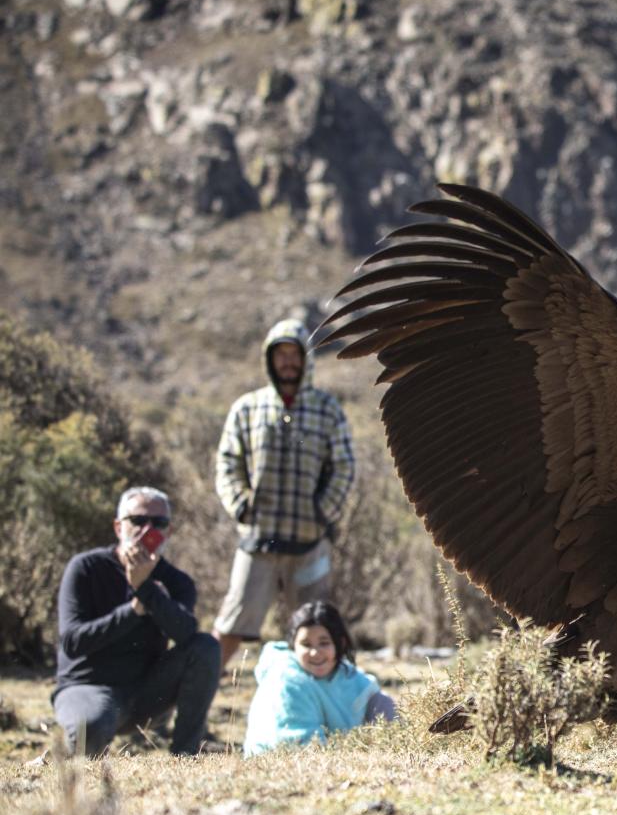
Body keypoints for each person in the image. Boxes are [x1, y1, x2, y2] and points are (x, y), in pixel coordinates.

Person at [215, 315, 356, 669]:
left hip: (310, 545)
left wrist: (323, 512)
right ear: (269, 359)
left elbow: (344, 466)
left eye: (295, 354)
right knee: (230, 627)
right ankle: (192, 707)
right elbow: (228, 462)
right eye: (281, 355)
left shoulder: (327, 409)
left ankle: (330, 714)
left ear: (306, 360)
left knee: (317, 632)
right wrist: (242, 507)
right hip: (258, 542)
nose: (288, 362)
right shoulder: (247, 408)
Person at [52, 486, 223, 756]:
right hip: (87, 687)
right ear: (119, 528)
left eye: (159, 522)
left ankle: (187, 754)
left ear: (170, 530)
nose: (148, 530)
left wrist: (146, 589)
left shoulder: (176, 581)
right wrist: (134, 610)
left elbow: (187, 636)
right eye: (138, 520)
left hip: (145, 694)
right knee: (90, 731)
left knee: (207, 647)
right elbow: (73, 642)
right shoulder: (86, 568)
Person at [243, 600, 396, 757]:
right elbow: (303, 750)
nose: (315, 653)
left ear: (340, 644)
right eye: (306, 644)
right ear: (293, 646)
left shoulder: (342, 672)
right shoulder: (288, 682)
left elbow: (366, 691)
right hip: (279, 767)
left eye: (324, 643)